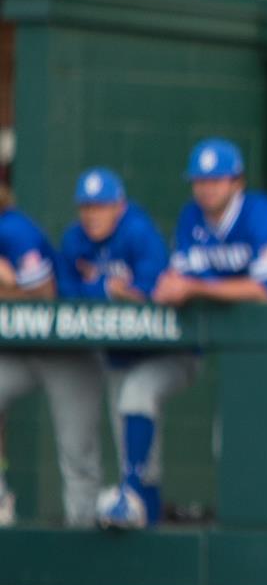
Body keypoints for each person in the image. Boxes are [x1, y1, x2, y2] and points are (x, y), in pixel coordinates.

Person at [155, 138, 267, 532]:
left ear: (236, 181)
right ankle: (246, 536)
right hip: (251, 342)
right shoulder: (191, 218)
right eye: (199, 181)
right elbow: (180, 280)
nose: (206, 188)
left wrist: (195, 288)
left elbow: (263, 290)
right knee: (234, 440)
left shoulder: (262, 213)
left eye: (216, 180)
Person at [55, 167, 195, 530]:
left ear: (119, 205)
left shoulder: (139, 232)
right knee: (134, 444)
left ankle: (132, 498)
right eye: (85, 207)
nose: (92, 214)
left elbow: (153, 291)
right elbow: (65, 293)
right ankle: (145, 522)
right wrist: (106, 288)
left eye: (100, 206)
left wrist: (129, 293)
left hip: (169, 353)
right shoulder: (75, 239)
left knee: (136, 398)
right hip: (119, 355)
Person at [0, 185, 102, 526]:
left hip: (65, 350)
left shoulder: (12, 227)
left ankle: (83, 531)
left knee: (77, 450)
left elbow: (43, 292)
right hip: (22, 352)